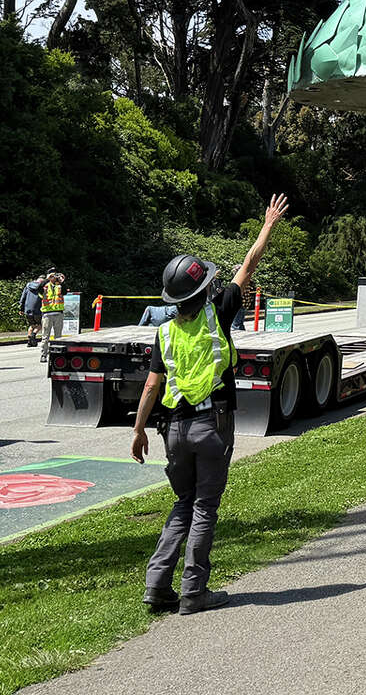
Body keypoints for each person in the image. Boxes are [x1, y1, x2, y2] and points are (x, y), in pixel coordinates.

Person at [130, 192, 289, 615]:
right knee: (204, 507)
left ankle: (156, 585)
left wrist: (138, 430)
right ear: (204, 290)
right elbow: (249, 265)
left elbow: (151, 387)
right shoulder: (219, 312)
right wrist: (268, 224)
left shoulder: (164, 333)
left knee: (182, 503)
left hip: (173, 432)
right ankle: (194, 593)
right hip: (212, 426)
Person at [21, 274, 46, 347]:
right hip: (38, 309)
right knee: (40, 325)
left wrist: (21, 308)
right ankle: (33, 335)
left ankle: (29, 342)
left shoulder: (28, 285)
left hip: (28, 309)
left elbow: (23, 297)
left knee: (32, 325)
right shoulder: (42, 287)